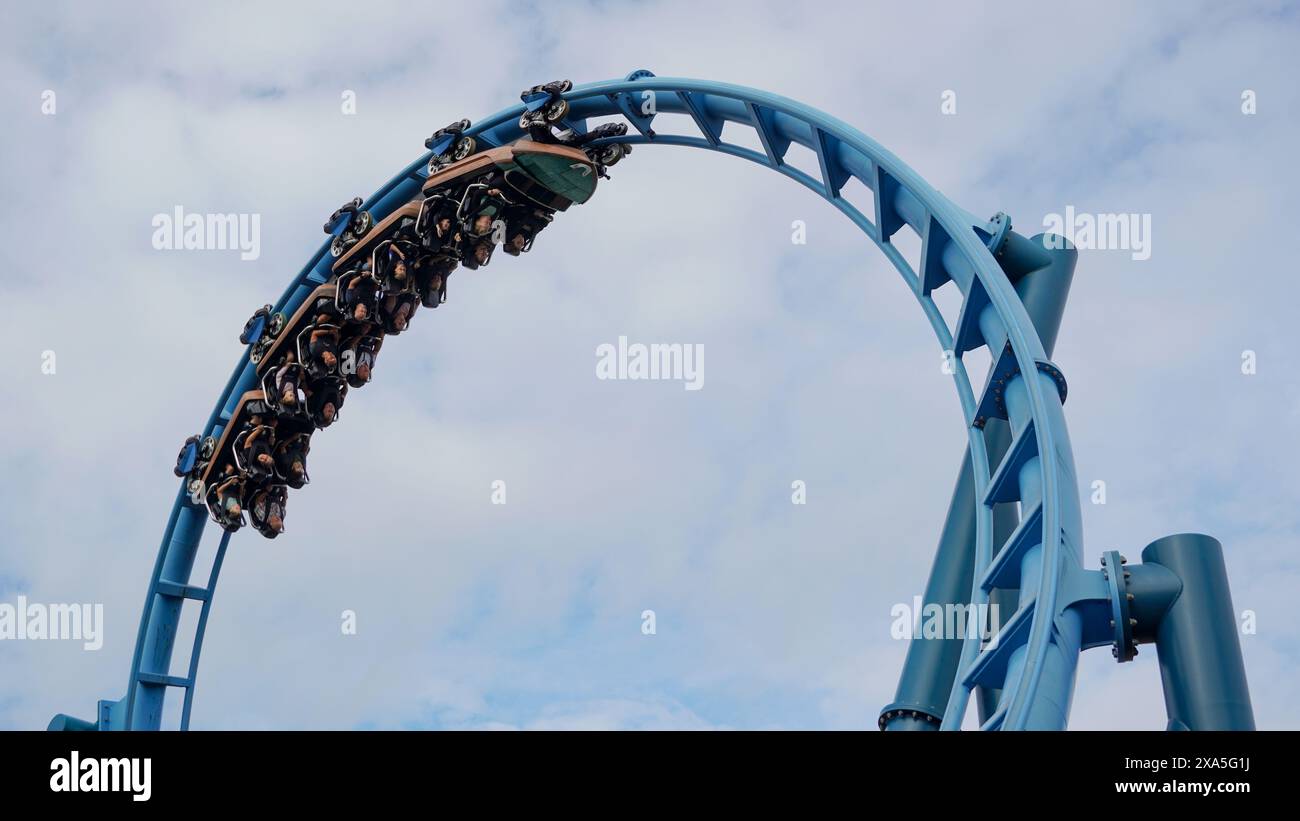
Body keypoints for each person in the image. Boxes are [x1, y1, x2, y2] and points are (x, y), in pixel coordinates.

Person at [239, 415, 277, 482]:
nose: (264, 458)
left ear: (262, 464)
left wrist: (258, 430)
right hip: (260, 435)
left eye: (264, 461)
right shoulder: (267, 452)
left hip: (247, 436)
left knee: (257, 418)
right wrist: (272, 432)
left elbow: (248, 441)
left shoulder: (251, 457)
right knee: (274, 422)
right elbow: (271, 442)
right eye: (267, 457)